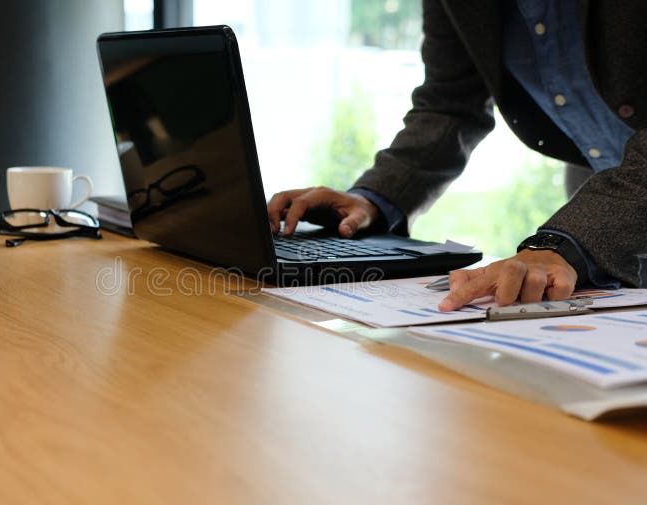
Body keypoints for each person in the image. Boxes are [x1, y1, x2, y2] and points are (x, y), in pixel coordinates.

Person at [266, 0, 647, 311]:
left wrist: (567, 245)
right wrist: (374, 199)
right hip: (609, 209)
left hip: (611, 210)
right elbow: (450, 105)